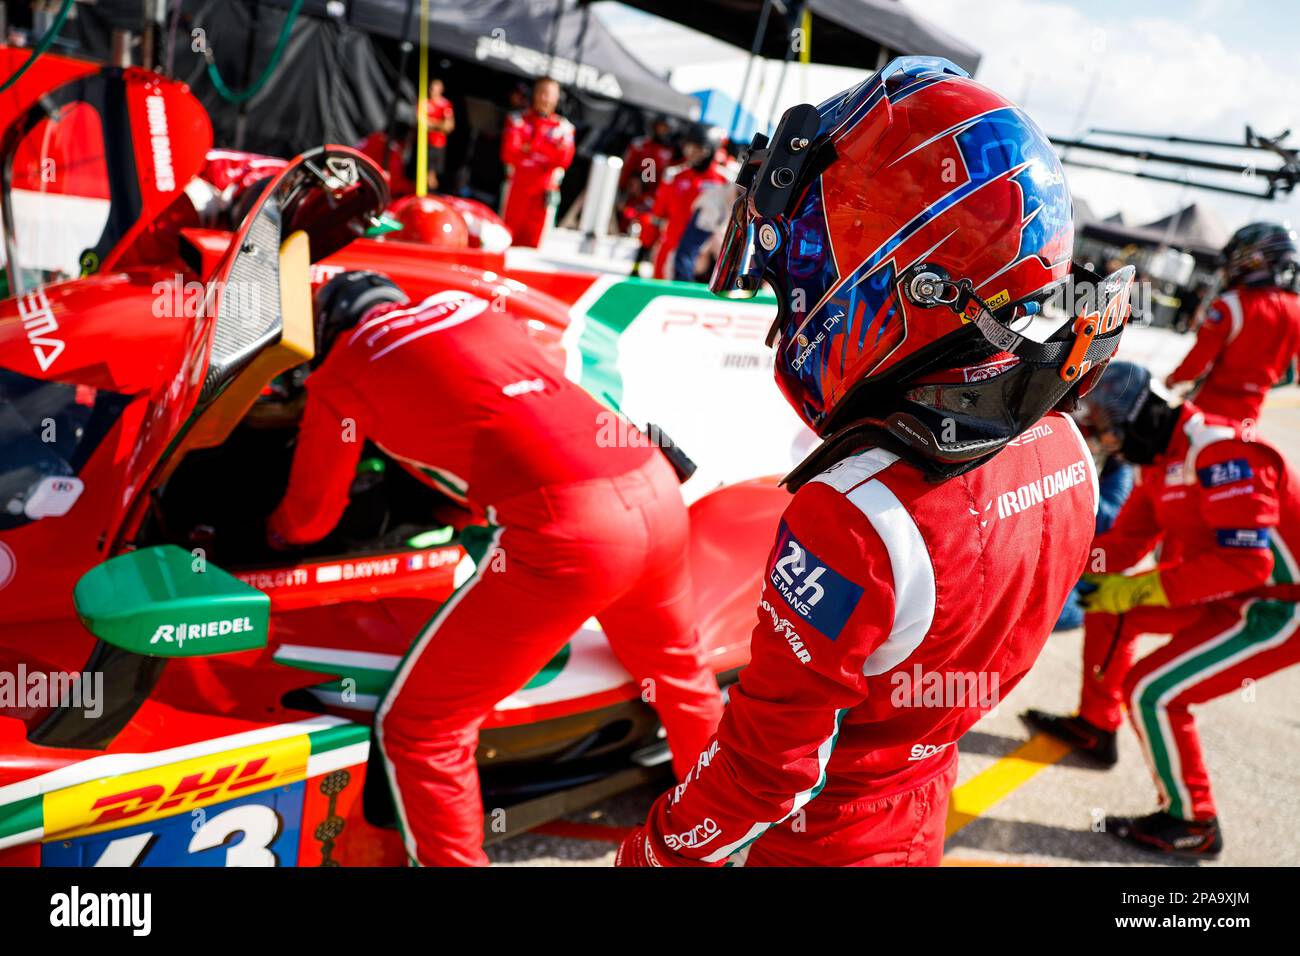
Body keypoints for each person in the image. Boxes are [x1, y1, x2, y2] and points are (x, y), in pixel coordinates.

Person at [614, 56, 1130, 868]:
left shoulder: (852, 513)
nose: (796, 282)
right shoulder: (1067, 445)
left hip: (815, 844)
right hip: (920, 806)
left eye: (815, 253)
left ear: (914, 276)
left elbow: (761, 776)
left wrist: (651, 855)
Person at [266, 271, 724, 866]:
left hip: (571, 528)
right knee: (678, 677)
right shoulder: (467, 305)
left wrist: (269, 535)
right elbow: (519, 400)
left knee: (423, 727)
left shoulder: (342, 370)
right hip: (654, 485)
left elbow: (310, 518)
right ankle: (728, 837)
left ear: (330, 330)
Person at [1023, 361, 1300, 858]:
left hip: (1279, 608)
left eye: (1112, 431)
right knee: (1108, 609)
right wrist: (1055, 564)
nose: (1110, 445)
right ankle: (1096, 724)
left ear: (1144, 415)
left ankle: (1193, 821)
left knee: (1154, 691)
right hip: (1231, 592)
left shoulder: (1223, 453)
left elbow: (1249, 563)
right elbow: (1122, 546)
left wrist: (1139, 590)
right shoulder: (1159, 462)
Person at [1165, 222, 1300, 422]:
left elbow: (1197, 363)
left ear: (1254, 258)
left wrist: (1172, 380)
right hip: (1249, 418)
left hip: (1207, 411)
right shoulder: (1296, 309)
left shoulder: (1231, 304)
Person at [1054, 453, 1134, 630]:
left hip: (1091, 577)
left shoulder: (1123, 469)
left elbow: (1109, 520)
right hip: (1070, 559)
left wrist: (1077, 481)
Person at [500, 77, 575, 248]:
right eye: (541, 93)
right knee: (506, 240)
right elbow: (510, 153)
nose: (545, 98)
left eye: (549, 94)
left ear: (557, 98)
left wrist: (530, 149)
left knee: (535, 247)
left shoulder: (565, 128)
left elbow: (563, 160)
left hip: (543, 195)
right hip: (516, 191)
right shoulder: (517, 119)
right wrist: (546, 150)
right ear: (534, 94)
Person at [649, 126, 729, 280]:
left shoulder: (723, 181)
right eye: (688, 148)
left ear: (710, 150)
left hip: (704, 257)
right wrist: (646, 246)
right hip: (670, 251)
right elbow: (657, 215)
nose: (691, 154)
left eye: (697, 149)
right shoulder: (674, 176)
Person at [424, 78, 455, 192]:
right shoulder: (425, 103)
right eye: (432, 88)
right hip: (424, 143)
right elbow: (421, 123)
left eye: (437, 88)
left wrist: (432, 123)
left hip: (437, 145)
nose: (434, 91)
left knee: (432, 177)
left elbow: (448, 126)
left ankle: (429, 196)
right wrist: (439, 124)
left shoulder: (445, 104)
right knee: (423, 174)